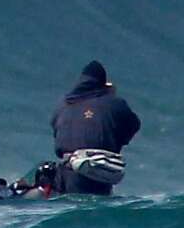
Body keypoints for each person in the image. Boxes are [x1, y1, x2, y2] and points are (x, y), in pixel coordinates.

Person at [48, 60, 140, 195]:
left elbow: (55, 128)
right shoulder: (113, 102)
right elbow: (133, 124)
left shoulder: (63, 104)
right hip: (94, 169)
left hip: (64, 171)